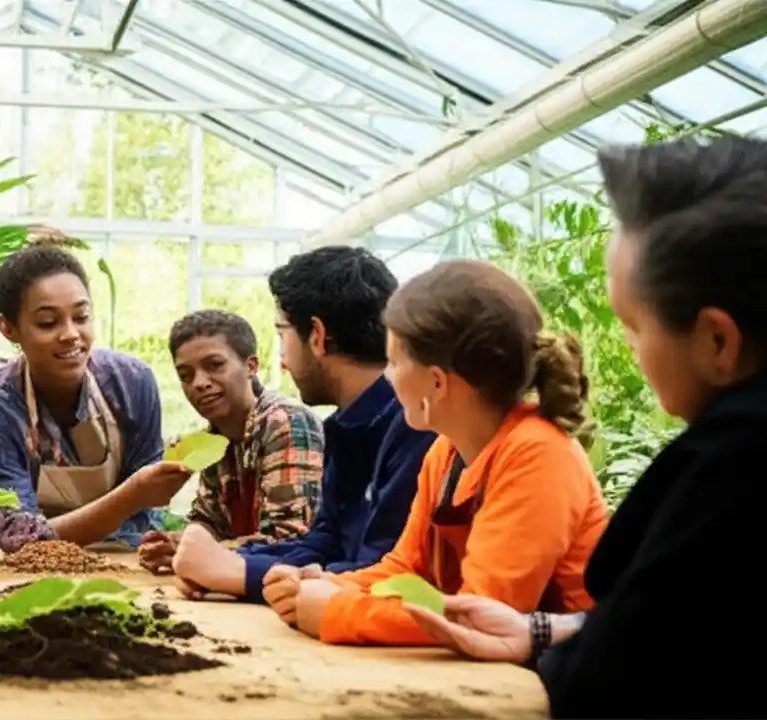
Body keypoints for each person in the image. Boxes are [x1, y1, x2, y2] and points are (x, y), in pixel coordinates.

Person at [400, 137, 767, 718]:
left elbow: (614, 675)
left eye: (633, 328)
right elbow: (682, 629)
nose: (627, 348)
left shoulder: (735, 463)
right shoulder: (443, 459)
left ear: (717, 342)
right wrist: (539, 631)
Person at [265, 258, 609, 645]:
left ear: (437, 383)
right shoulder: (445, 453)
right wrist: (330, 585)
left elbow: (481, 614)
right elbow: (403, 568)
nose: (389, 378)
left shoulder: (538, 454)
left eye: (394, 363)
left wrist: (338, 612)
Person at [166, 247, 435, 601]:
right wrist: (227, 562)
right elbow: (326, 541)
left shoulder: (415, 426)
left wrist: (239, 573)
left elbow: (386, 570)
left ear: (317, 336)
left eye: (282, 335)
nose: (283, 360)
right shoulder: (345, 426)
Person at [0, 244, 190, 548]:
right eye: (48, 322)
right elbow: (17, 536)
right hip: (32, 572)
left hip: (125, 557)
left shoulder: (132, 383)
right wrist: (131, 494)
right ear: (8, 328)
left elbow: (143, 515)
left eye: (81, 317)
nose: (71, 333)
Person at [138, 310, 325, 574]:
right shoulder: (214, 439)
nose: (199, 383)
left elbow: (289, 538)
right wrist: (174, 544)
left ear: (251, 367)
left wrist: (196, 552)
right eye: (185, 375)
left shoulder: (284, 422)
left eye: (214, 365)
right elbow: (208, 523)